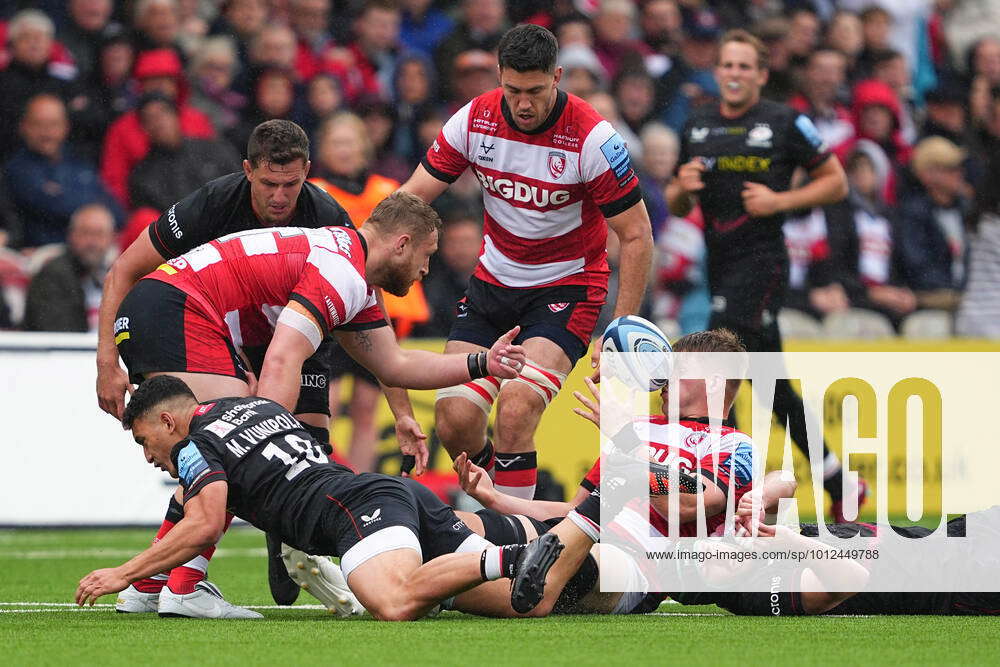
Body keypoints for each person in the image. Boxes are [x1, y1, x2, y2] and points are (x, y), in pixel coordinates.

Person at [111, 190, 528, 617]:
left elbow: (396, 364)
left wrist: (482, 362)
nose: (425, 270)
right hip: (175, 307)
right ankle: (182, 587)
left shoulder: (352, 273)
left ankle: (152, 585)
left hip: (169, 304)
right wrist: (262, 438)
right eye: (426, 255)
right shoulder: (342, 270)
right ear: (401, 243)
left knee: (222, 447)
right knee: (224, 446)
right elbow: (282, 357)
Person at [94, 120, 418, 610]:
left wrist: (403, 411)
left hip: (292, 337)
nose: (281, 197)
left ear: (309, 172)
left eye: (292, 185)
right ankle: (180, 584)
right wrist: (105, 360)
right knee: (233, 440)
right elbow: (124, 268)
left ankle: (270, 547)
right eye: (268, 184)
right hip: (205, 323)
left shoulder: (328, 215)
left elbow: (369, 325)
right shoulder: (212, 203)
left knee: (305, 448)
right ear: (247, 171)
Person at [401, 24, 653, 501]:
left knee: (516, 411)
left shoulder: (593, 138)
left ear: (557, 77)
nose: (522, 103)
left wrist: (622, 328)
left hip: (567, 288)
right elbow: (412, 199)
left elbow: (637, 234)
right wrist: (362, 240)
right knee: (454, 422)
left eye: (535, 91)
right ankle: (504, 501)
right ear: (498, 76)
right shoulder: (473, 120)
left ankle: (515, 547)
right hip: (492, 284)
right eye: (512, 90)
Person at [75, 375, 562, 621]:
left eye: (142, 441)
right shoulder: (255, 404)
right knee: (531, 603)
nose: (147, 455)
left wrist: (124, 573)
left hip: (358, 513)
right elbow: (210, 497)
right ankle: (618, 570)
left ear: (166, 422)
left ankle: (514, 555)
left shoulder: (194, 445)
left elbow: (203, 522)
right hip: (387, 494)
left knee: (393, 602)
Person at [666, 30, 860, 523]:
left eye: (744, 67)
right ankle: (839, 479)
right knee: (772, 387)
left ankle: (718, 493)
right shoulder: (698, 125)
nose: (734, 74)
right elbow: (676, 199)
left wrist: (781, 202)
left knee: (714, 366)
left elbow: (835, 181)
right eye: (727, 65)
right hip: (721, 264)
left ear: (762, 74)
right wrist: (682, 192)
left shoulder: (785, 121)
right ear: (718, 71)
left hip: (764, 263)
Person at [4, 94, 122, 249]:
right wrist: (92, 206)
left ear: (66, 127)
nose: (46, 133)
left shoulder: (79, 162)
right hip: (45, 252)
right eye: (38, 124)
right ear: (23, 127)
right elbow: (54, 206)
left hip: (95, 250)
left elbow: (117, 212)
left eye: (53, 124)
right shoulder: (18, 169)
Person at [22, 203, 116, 332]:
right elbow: (58, 335)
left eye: (99, 234)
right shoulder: (52, 276)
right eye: (86, 233)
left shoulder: (111, 276)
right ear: (71, 235)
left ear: (111, 239)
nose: (93, 242)